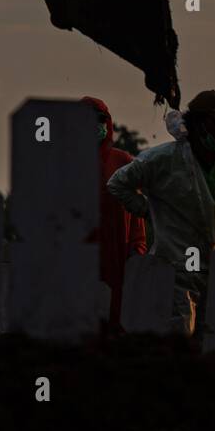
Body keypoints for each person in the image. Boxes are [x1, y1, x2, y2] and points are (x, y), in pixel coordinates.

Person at [107, 90, 215, 336]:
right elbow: (117, 184)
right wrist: (150, 212)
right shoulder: (162, 159)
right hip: (176, 263)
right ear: (199, 123)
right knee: (178, 333)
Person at [81, 96, 148, 331]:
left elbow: (137, 222)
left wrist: (137, 252)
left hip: (117, 262)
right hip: (79, 261)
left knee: (115, 327)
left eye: (100, 120)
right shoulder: (64, 162)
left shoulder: (123, 162)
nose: (95, 125)